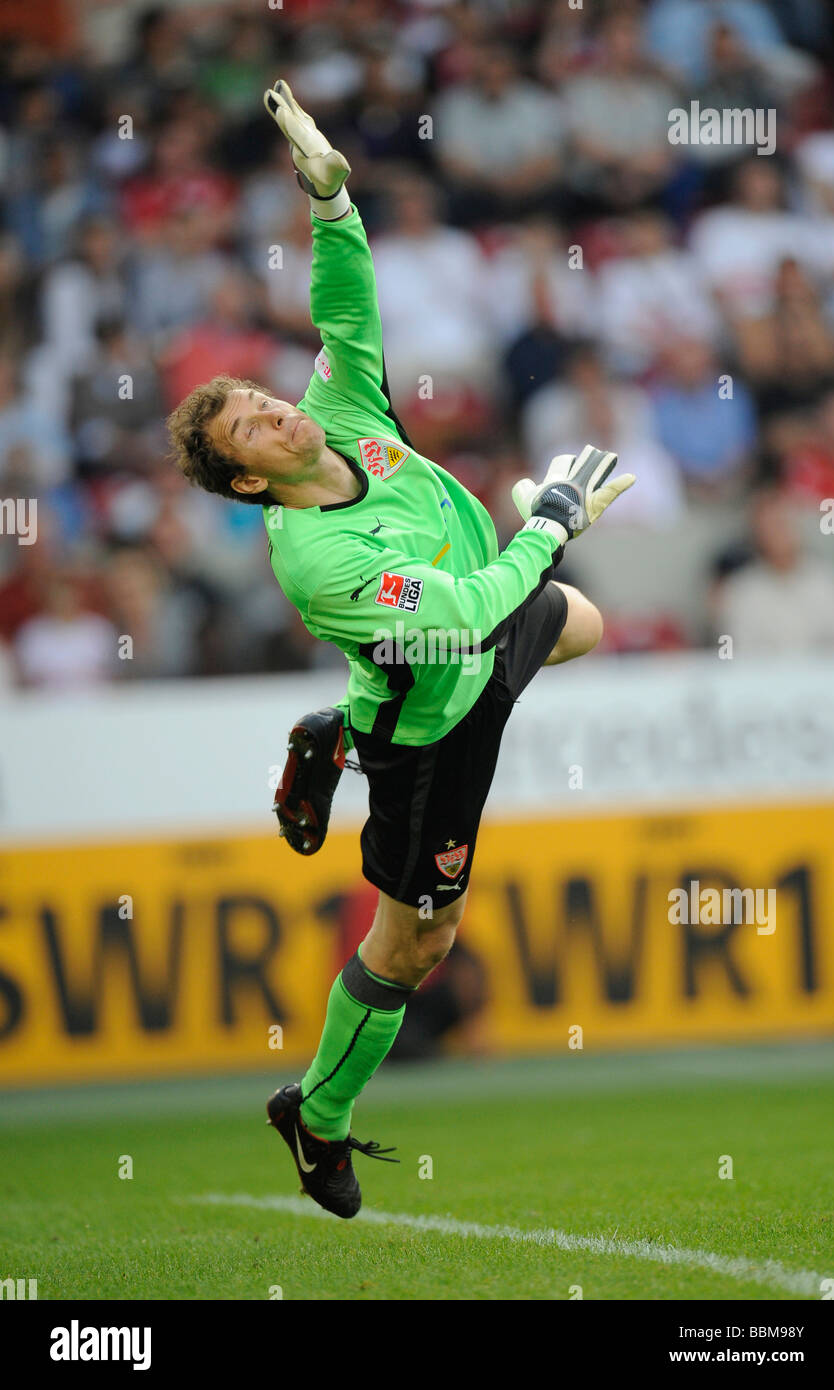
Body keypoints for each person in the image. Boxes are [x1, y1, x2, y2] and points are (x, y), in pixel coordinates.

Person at [166, 80, 634, 1220]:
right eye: (246, 428)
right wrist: (547, 525)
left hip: (468, 641)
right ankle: (312, 1116)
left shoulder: (345, 407)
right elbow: (468, 613)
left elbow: (343, 307)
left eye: (259, 400)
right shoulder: (315, 564)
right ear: (242, 481)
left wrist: (329, 199)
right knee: (418, 947)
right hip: (435, 723)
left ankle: (336, 729)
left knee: (585, 622)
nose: (275, 412)